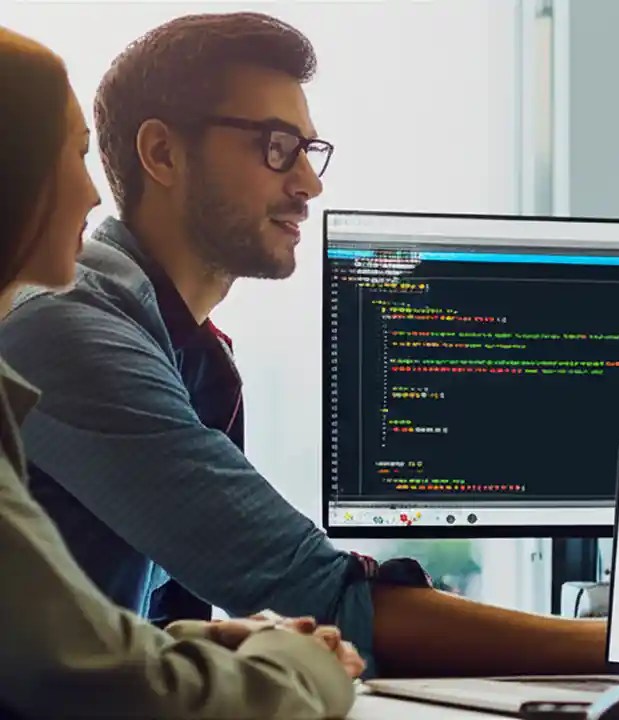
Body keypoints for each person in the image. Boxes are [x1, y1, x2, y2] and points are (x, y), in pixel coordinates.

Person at [0, 11, 619, 681]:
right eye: (276, 146)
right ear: (162, 155)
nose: (308, 188)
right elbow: (325, 593)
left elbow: (179, 619)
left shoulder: (183, 350)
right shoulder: (72, 333)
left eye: (310, 153)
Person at [0, 25, 359, 718]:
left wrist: (200, 642)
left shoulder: (178, 348)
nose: (92, 193)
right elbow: (81, 676)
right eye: (70, 156)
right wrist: (292, 660)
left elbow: (41, 641)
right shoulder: (61, 330)